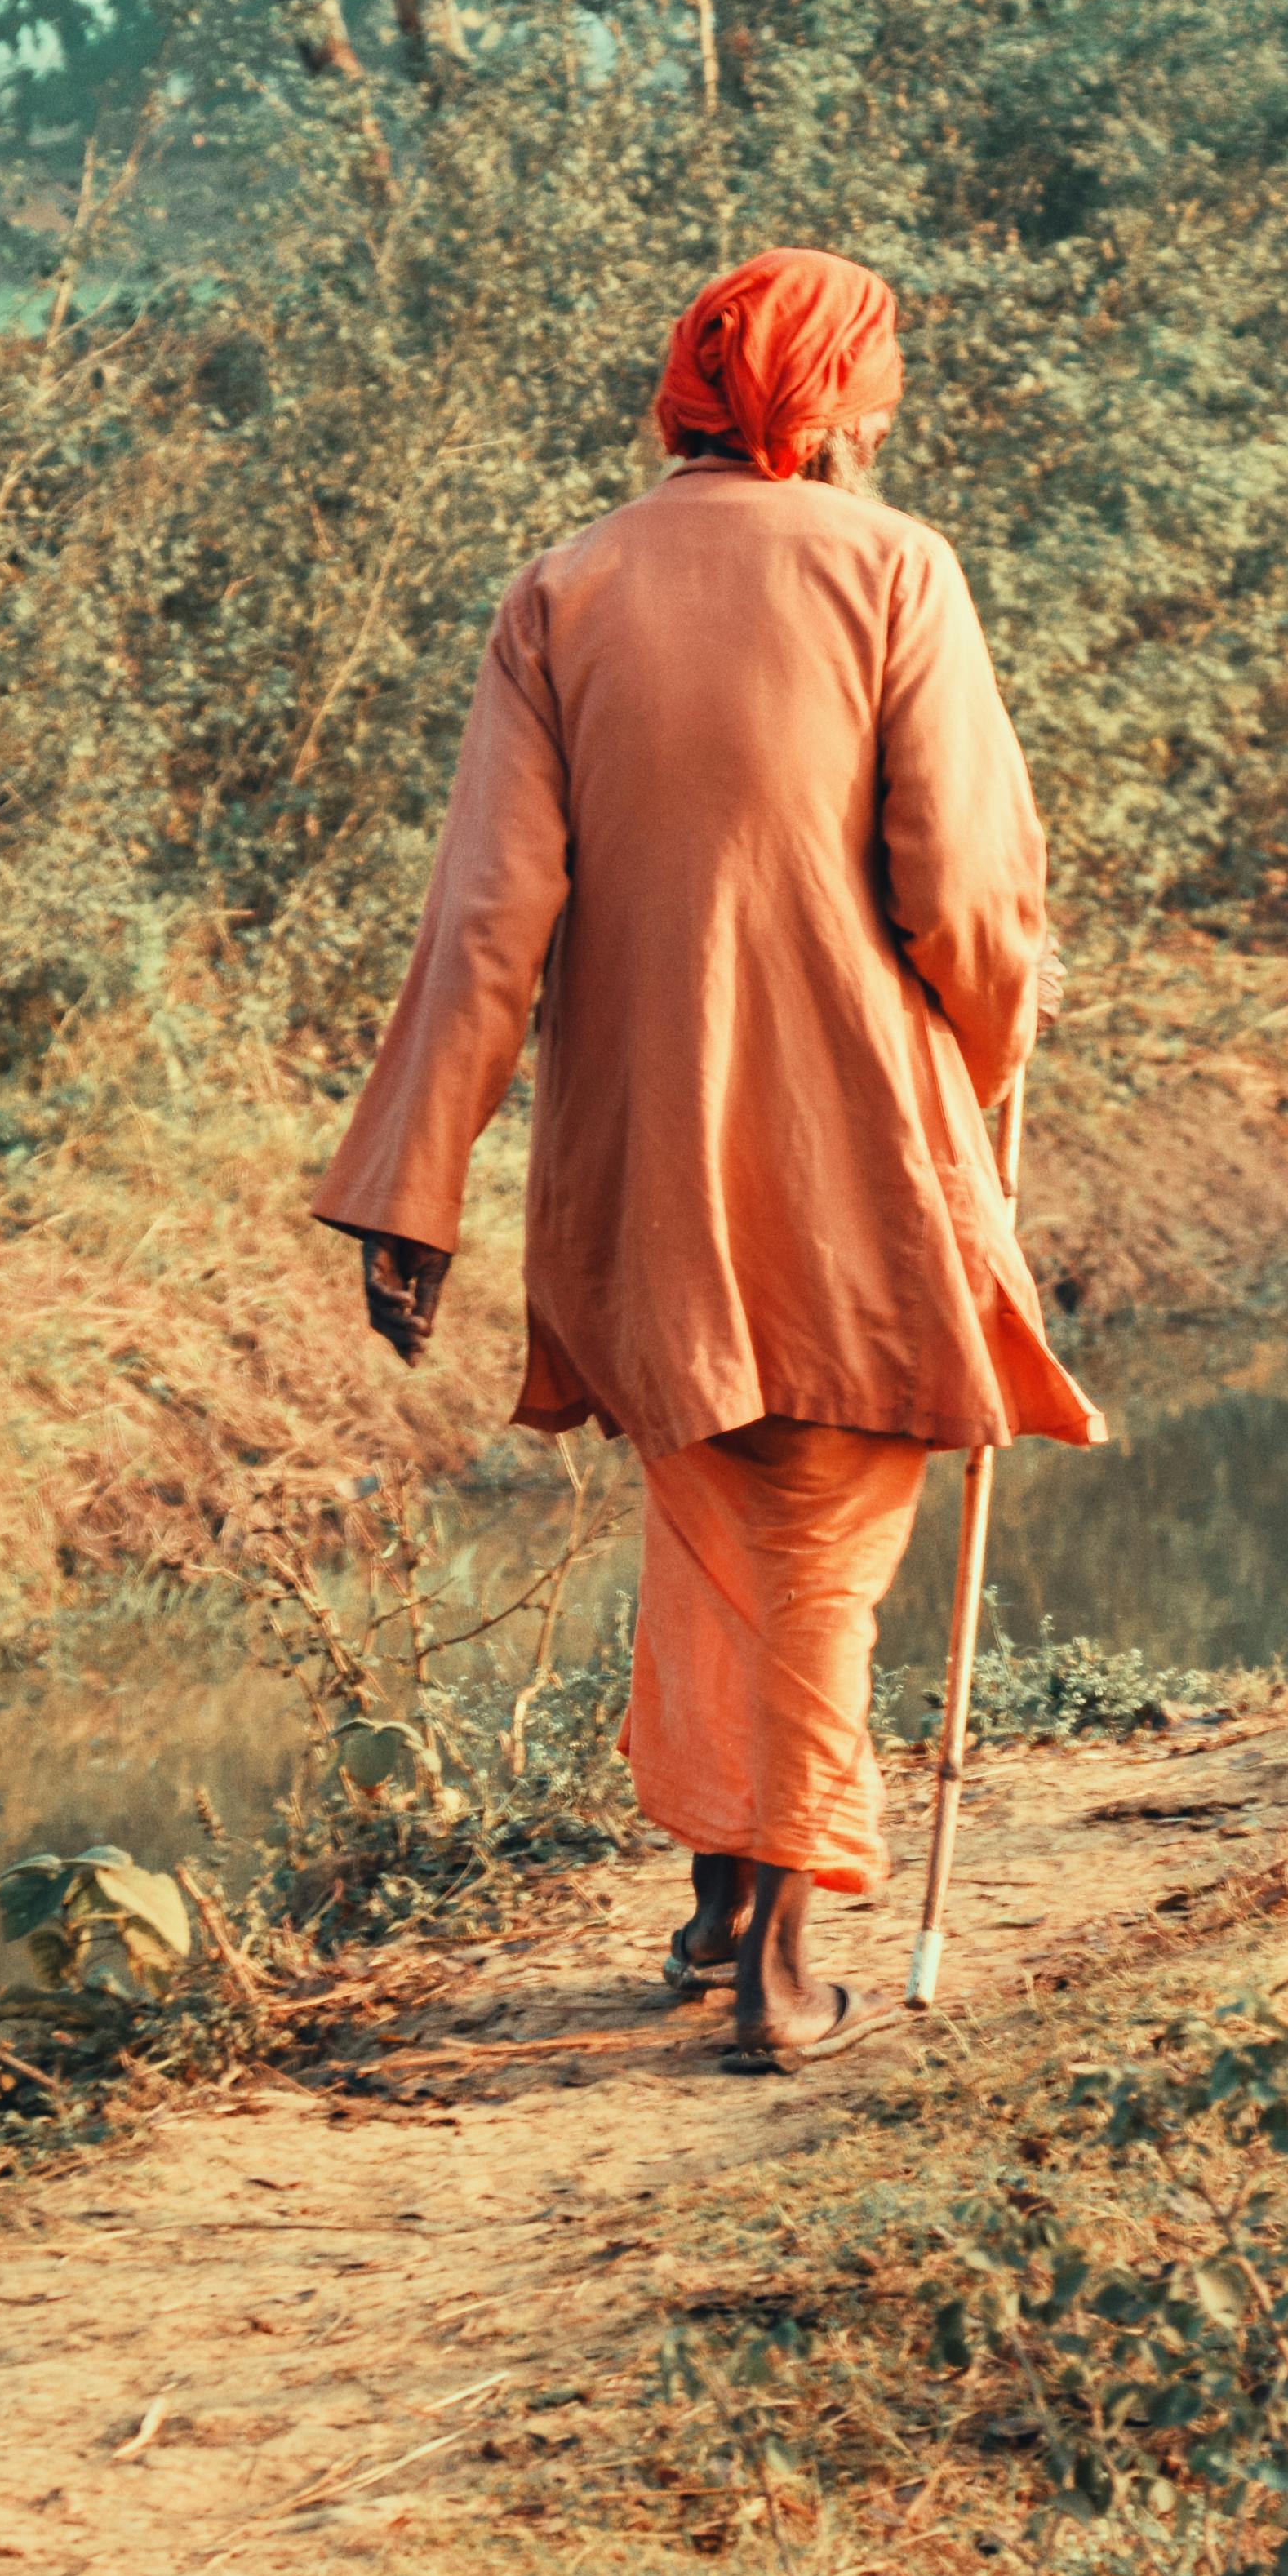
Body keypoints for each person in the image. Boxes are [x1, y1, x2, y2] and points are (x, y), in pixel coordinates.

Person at [313, 245, 1095, 2073]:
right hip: (845, 1135)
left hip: (631, 1154)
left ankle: (718, 1896)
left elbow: (488, 917)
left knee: (711, 1489)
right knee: (821, 1520)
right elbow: (968, 896)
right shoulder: (894, 567)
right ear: (818, 398)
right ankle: (784, 1955)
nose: (890, 415)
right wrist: (985, 1045)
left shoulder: (561, 588)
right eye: (880, 381)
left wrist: (409, 1191)